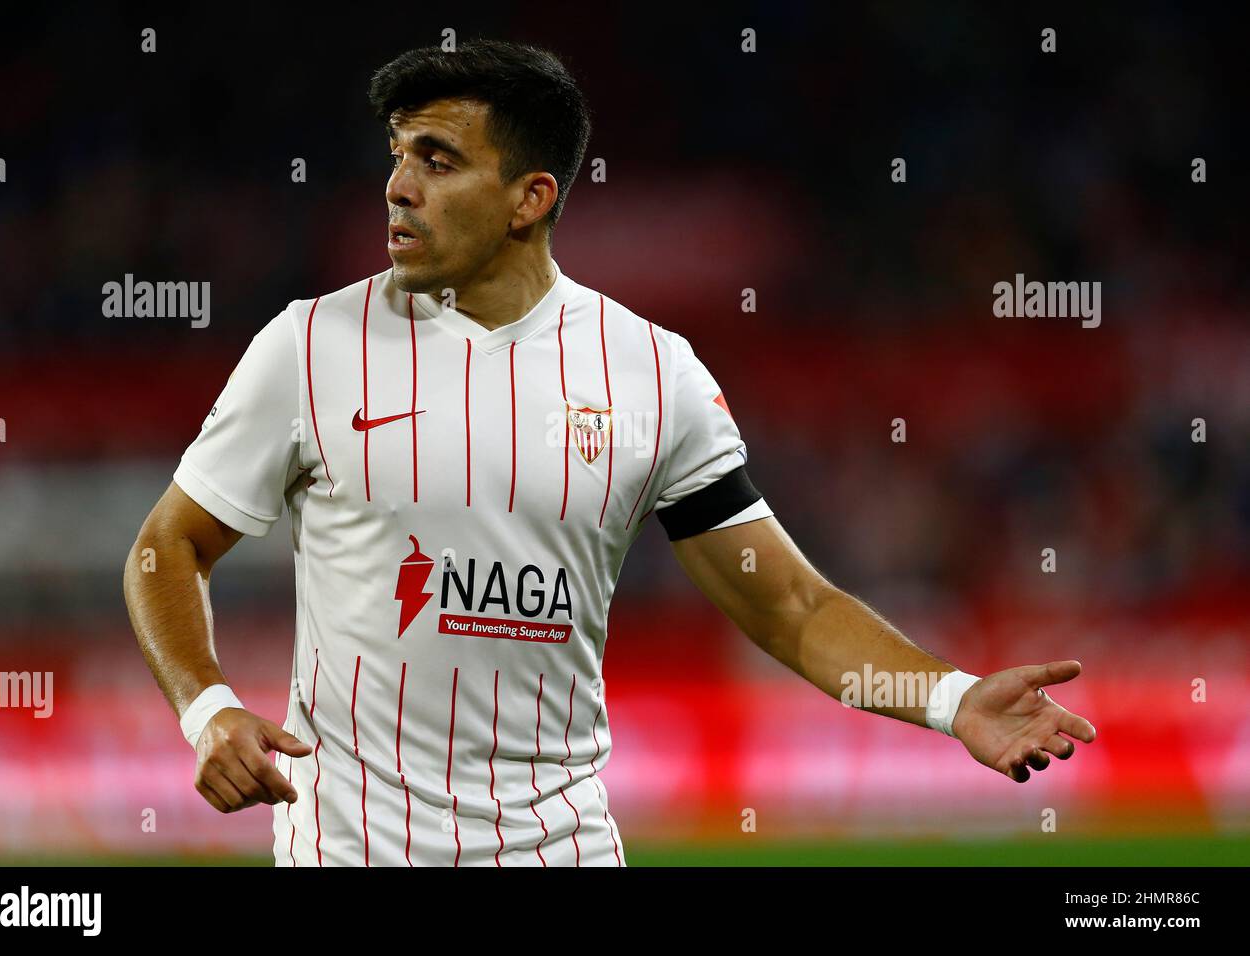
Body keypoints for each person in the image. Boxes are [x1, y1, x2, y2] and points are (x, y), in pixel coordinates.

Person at [124, 38, 1096, 867]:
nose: (398, 185)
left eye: (437, 158)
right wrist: (206, 706)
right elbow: (168, 546)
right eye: (395, 154)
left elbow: (789, 605)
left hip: (563, 848)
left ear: (528, 197)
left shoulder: (650, 372)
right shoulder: (309, 348)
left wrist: (952, 696)